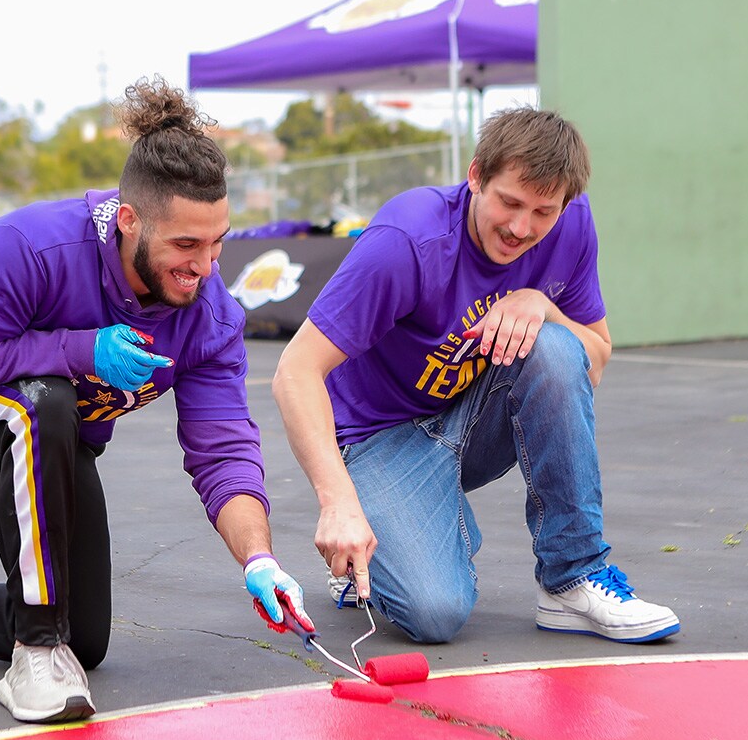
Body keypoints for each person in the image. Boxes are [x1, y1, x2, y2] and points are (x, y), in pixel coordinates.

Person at [0, 77, 314, 723]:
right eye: (186, 245)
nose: (204, 266)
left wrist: (259, 558)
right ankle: (33, 653)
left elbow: (223, 449)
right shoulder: (32, 247)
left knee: (83, 636)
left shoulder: (210, 316)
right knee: (47, 402)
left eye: (218, 242)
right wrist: (79, 351)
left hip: (48, 436)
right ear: (130, 220)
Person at [272, 107, 679, 646]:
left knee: (555, 349)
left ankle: (572, 578)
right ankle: (388, 528)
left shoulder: (573, 227)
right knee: (435, 615)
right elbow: (295, 372)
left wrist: (543, 306)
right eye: (509, 202)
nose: (521, 228)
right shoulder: (408, 239)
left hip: (473, 416)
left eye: (543, 211)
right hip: (379, 436)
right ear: (475, 176)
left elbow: (595, 358)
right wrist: (339, 502)